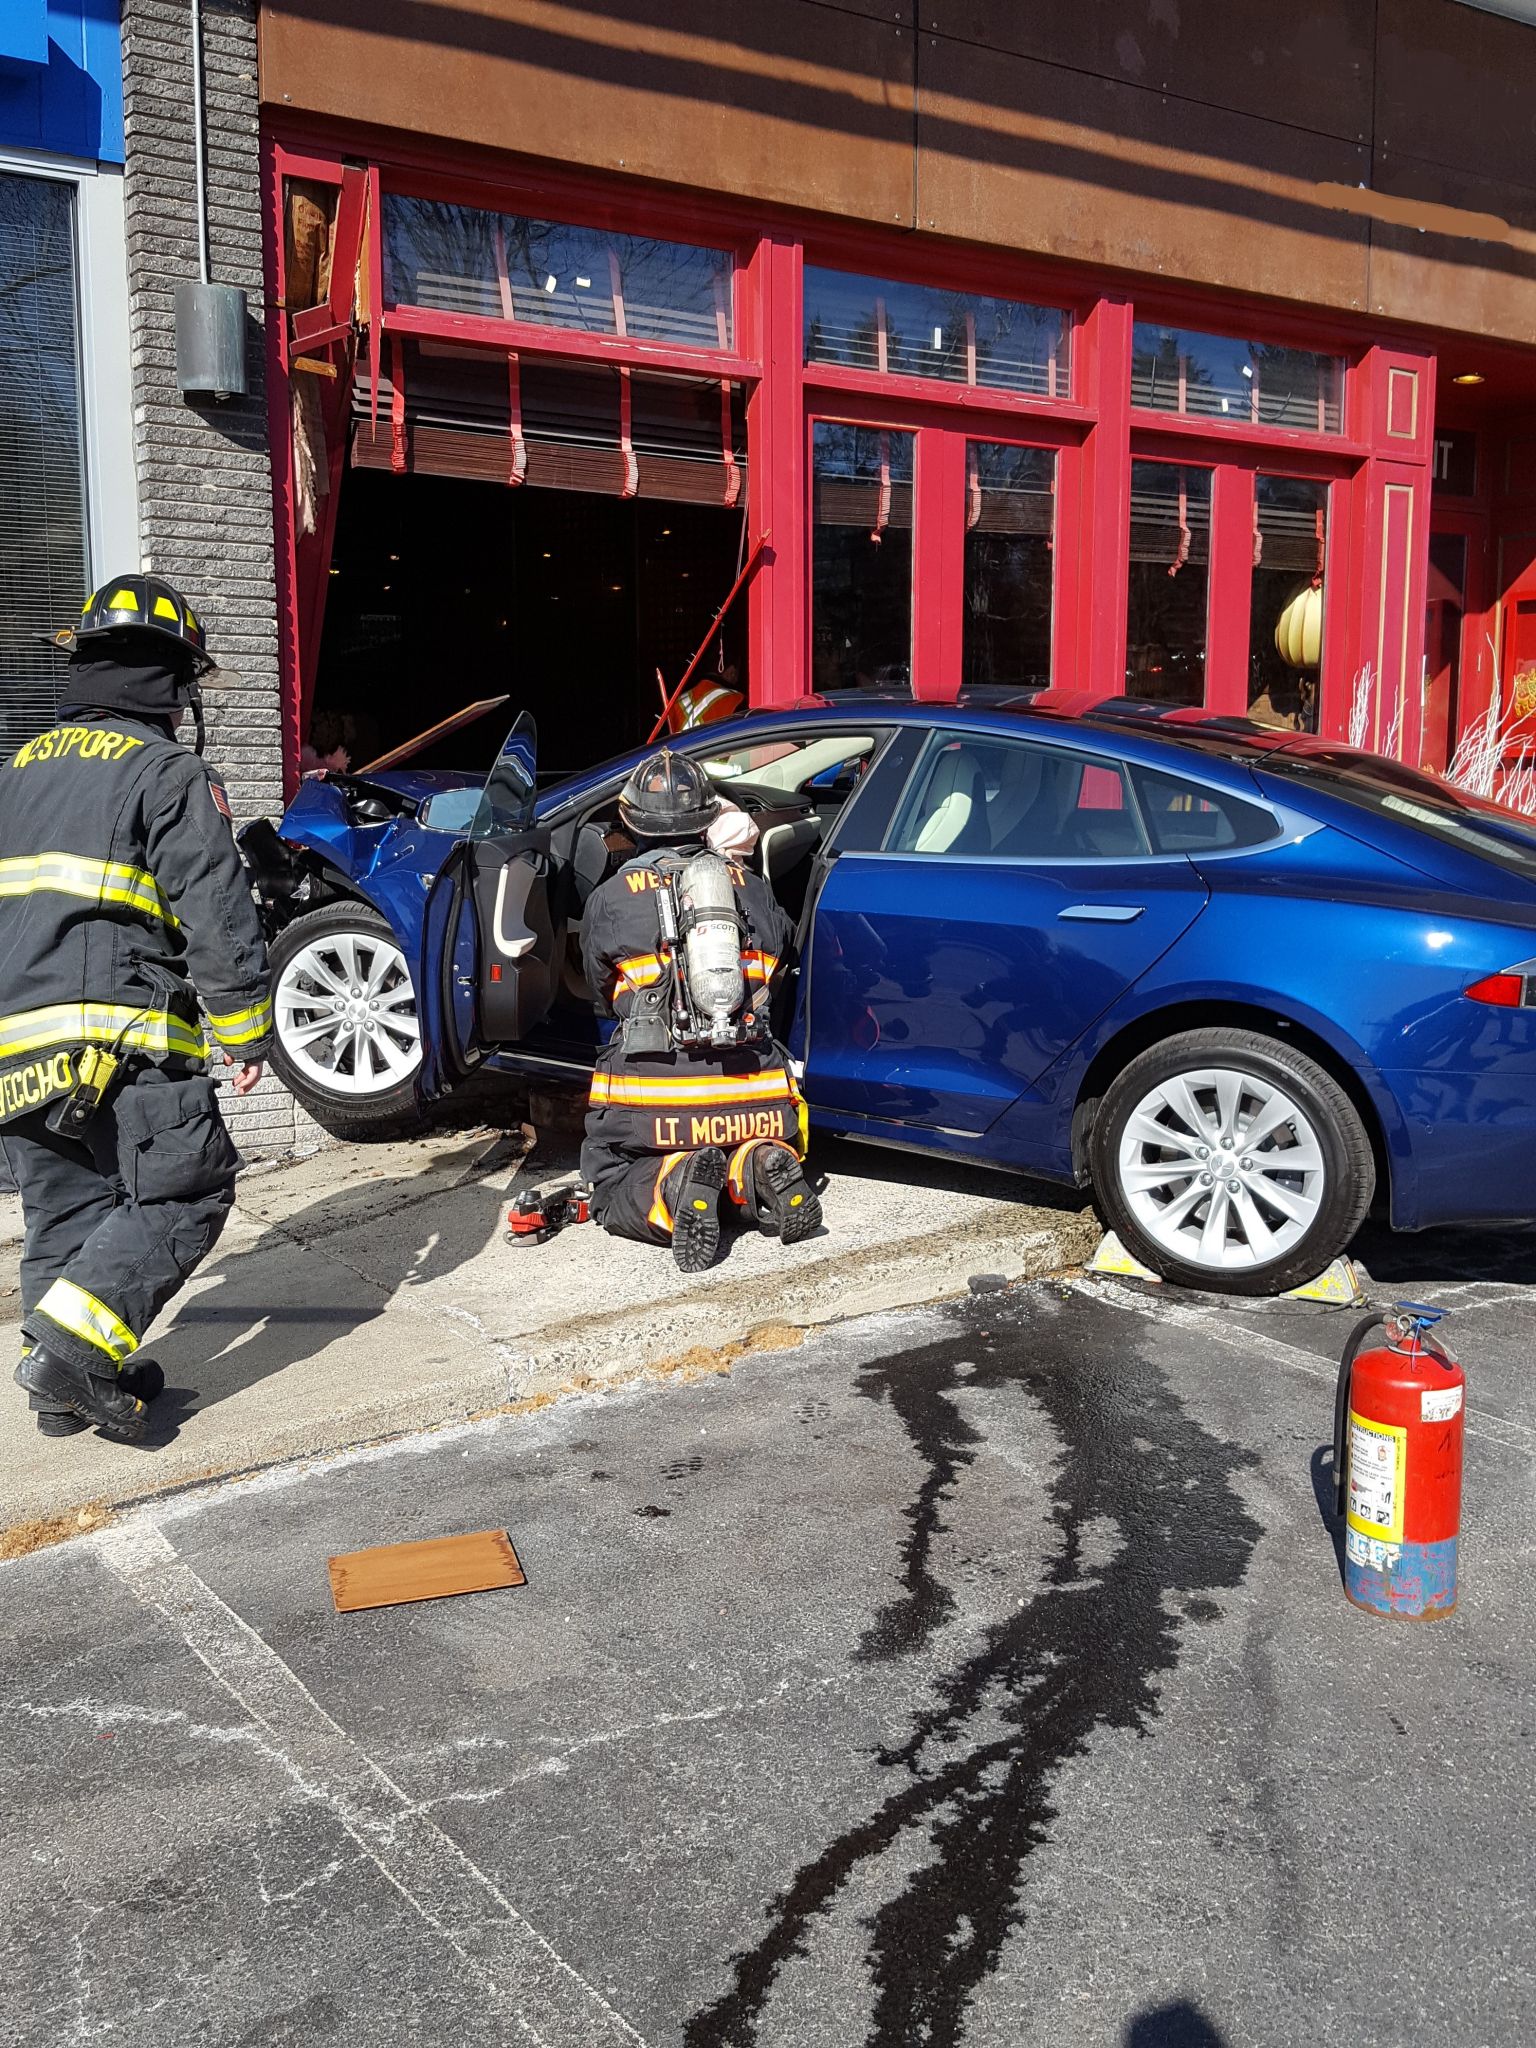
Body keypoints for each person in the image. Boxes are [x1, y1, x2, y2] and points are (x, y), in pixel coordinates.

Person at [3, 575, 274, 1442]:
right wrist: (244, 1028)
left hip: (15, 1048)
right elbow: (215, 908)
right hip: (117, 1039)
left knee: (68, 1211)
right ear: (168, 678)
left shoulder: (16, 773)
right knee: (187, 1187)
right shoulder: (164, 770)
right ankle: (68, 1357)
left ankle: (64, 1386)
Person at [580, 749, 821, 1271]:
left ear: (628, 818)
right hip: (757, 1095)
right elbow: (783, 964)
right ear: (712, 815)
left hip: (657, 1103)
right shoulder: (754, 889)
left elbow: (600, 994)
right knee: (749, 1144)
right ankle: (756, 1164)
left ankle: (676, 1182)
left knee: (610, 1182)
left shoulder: (609, 898)